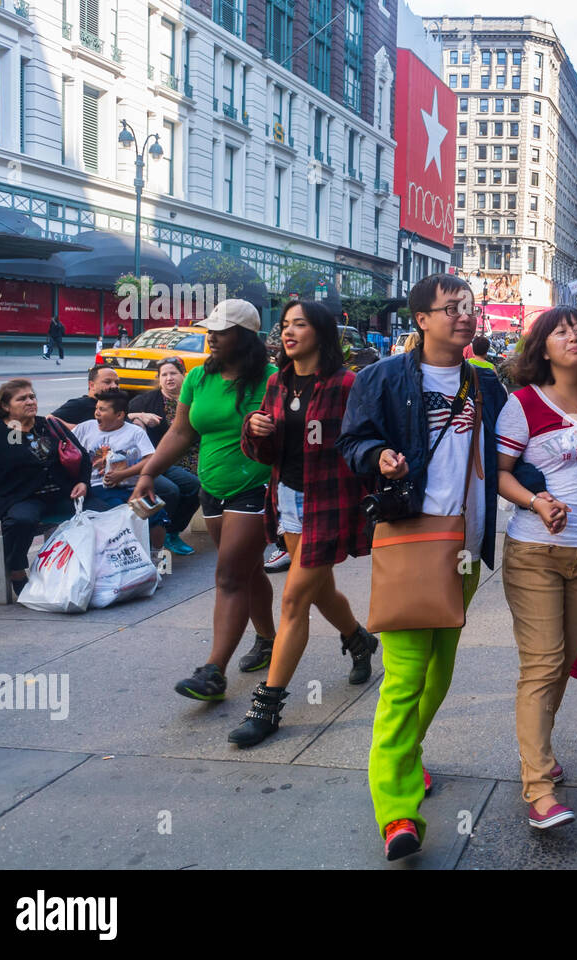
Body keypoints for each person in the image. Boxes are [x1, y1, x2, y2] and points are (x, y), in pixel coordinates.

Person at [338, 273, 507, 862]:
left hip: (465, 544)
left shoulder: (485, 381)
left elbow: (507, 451)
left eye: (469, 307)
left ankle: (407, 754)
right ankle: (397, 810)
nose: (464, 316)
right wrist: (377, 456)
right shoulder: (383, 377)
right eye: (451, 308)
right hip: (413, 539)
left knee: (440, 671)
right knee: (406, 676)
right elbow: (352, 442)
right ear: (422, 319)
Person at [228, 301, 376, 748]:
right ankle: (358, 639)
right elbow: (265, 453)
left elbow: (363, 443)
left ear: (321, 332)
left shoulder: (346, 384)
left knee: (293, 599)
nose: (288, 332)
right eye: (285, 325)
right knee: (318, 589)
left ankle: (267, 706)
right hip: (287, 498)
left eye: (300, 324)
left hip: (329, 502)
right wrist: (255, 430)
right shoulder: (278, 382)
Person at [496, 307, 577, 831]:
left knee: (563, 662)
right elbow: (499, 473)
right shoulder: (522, 404)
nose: (574, 337)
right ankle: (539, 788)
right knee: (543, 663)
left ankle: (537, 749)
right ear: (542, 347)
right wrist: (536, 502)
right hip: (535, 552)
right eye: (561, 332)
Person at [131, 300, 279, 700]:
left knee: (229, 576)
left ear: (244, 336)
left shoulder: (272, 380)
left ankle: (213, 672)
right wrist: (148, 473)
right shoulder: (198, 377)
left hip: (256, 487)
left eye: (221, 331)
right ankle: (270, 640)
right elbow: (181, 432)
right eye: (210, 330)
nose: (211, 337)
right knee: (249, 572)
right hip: (210, 488)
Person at [0, 380, 90, 596]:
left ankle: (88, 568)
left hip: (62, 493)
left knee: (101, 511)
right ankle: (15, 570)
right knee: (21, 521)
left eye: (32, 397)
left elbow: (82, 455)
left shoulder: (48, 426)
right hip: (22, 497)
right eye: (22, 398)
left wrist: (83, 482)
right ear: (5, 406)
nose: (30, 401)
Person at [71, 388, 167, 547]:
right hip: (97, 487)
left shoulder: (135, 433)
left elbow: (151, 458)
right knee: (121, 513)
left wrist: (123, 474)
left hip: (131, 488)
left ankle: (157, 555)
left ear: (119, 415)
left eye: (102, 410)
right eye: (96, 408)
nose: (97, 413)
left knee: (156, 512)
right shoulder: (84, 428)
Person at [129, 358, 201, 555]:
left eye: (173, 373)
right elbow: (121, 416)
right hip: (161, 458)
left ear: (183, 376)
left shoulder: (194, 398)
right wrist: (138, 416)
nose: (169, 378)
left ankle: (172, 531)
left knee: (200, 482)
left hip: (196, 453)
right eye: (164, 375)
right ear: (159, 379)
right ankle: (166, 532)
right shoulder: (145, 401)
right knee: (176, 489)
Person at [50, 364, 160, 432]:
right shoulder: (80, 404)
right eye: (107, 382)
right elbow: (49, 420)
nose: (114, 386)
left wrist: (138, 416)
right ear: (92, 385)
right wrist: (81, 430)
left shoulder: (117, 406)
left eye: (117, 383)